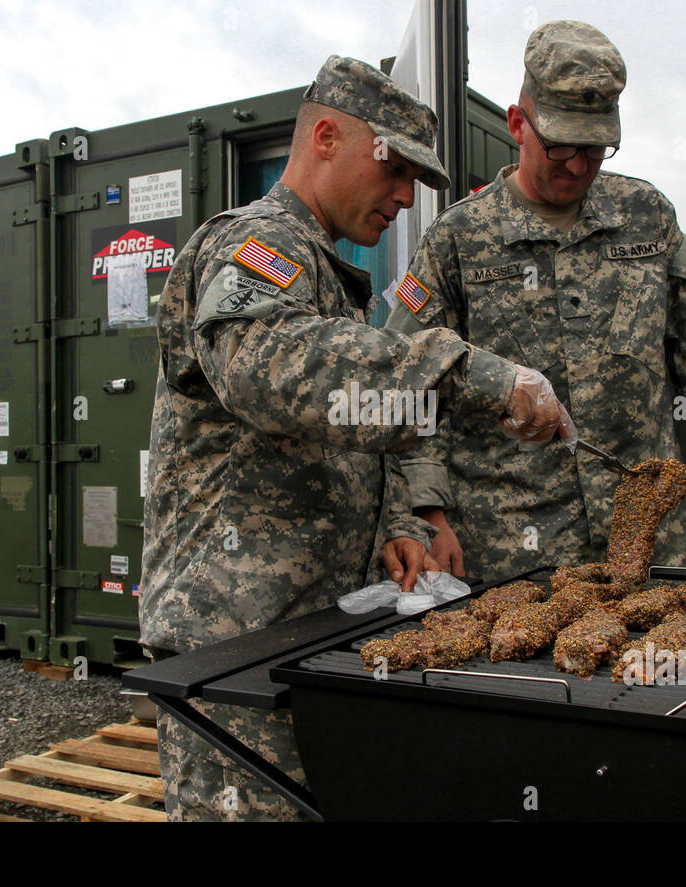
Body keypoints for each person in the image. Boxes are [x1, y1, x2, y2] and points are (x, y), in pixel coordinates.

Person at [139, 55, 572, 821]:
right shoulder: (252, 246)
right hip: (235, 651)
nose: (406, 199)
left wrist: (397, 524)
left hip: (305, 639)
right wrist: (476, 376)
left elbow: (344, 427)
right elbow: (275, 370)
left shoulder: (329, 274)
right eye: (397, 170)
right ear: (329, 137)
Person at [385, 21, 686, 581]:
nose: (578, 166)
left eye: (595, 149)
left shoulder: (647, 216)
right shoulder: (457, 239)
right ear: (519, 123)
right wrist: (428, 511)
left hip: (648, 538)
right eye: (560, 145)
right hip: (513, 550)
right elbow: (411, 377)